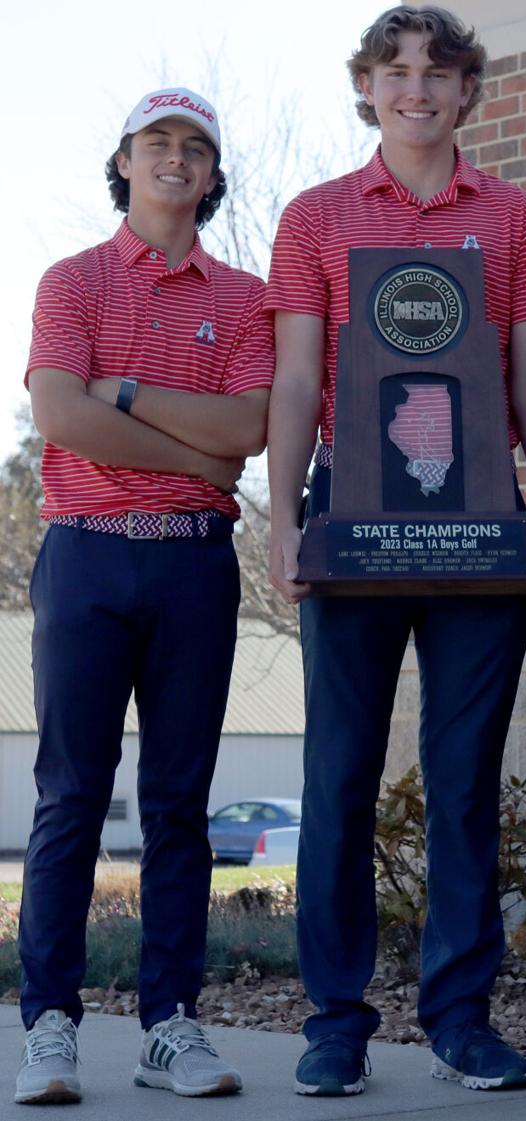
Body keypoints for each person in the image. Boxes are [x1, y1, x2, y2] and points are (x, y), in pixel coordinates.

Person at [264, 4, 526, 1097]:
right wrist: (282, 523)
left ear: (467, 91)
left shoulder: (519, 220)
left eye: (439, 72)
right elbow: (298, 379)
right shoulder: (314, 219)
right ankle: (334, 1022)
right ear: (367, 88)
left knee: (462, 783)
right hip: (349, 519)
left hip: (480, 524)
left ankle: (460, 1018)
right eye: (395, 71)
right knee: (338, 775)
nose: (416, 88)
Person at [16, 88, 273, 1105]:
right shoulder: (71, 282)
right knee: (69, 799)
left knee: (177, 806)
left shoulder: (248, 297)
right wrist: (193, 454)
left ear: (212, 177)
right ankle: (50, 1026)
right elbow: (62, 418)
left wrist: (124, 395)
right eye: (157, 142)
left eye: (195, 148)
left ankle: (171, 1022)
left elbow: (249, 427)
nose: (175, 158)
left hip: (192, 569)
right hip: (83, 558)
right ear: (123, 161)